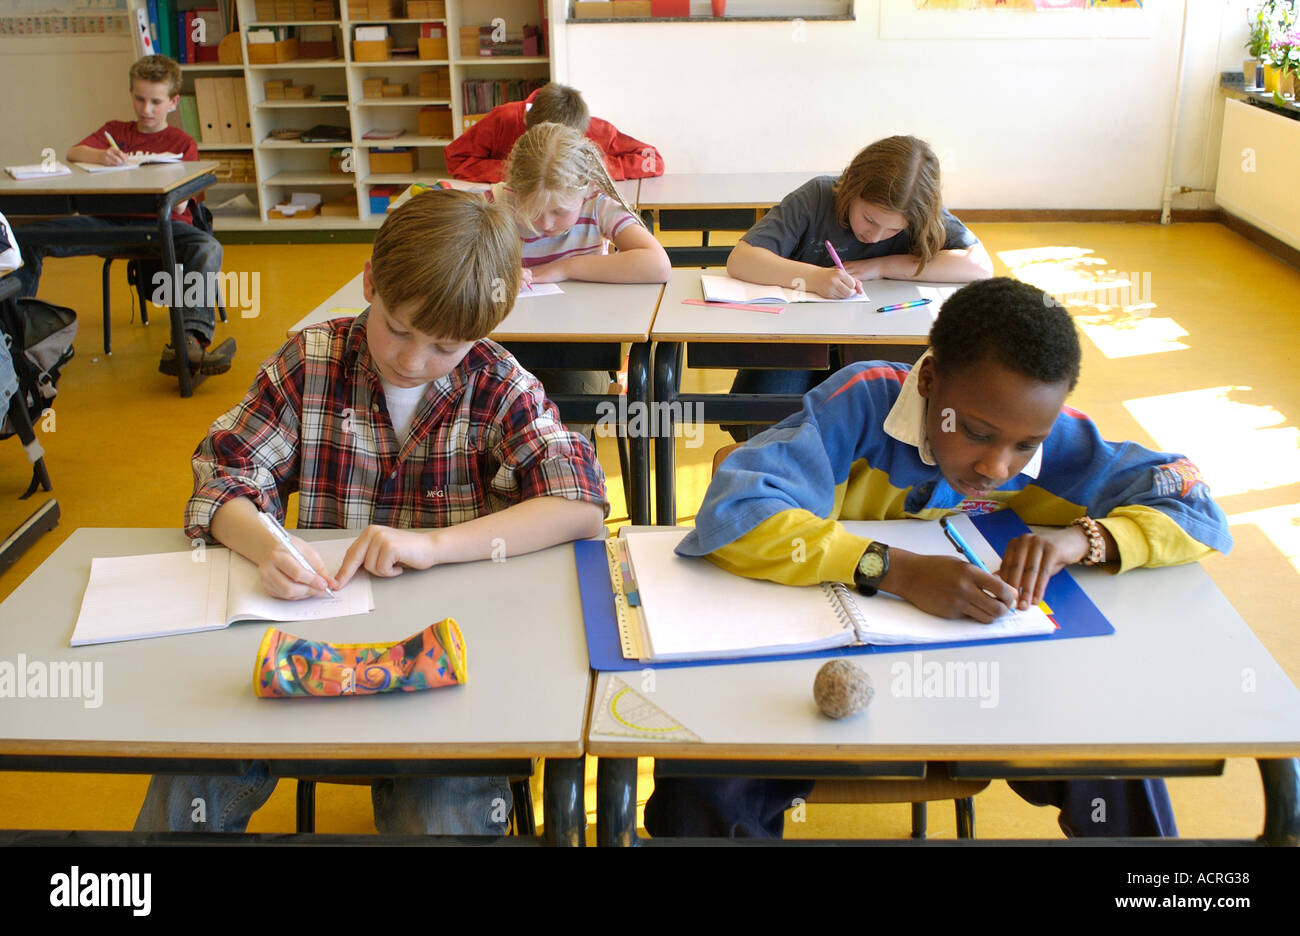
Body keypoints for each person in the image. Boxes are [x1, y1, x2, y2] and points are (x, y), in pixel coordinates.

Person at [646, 276, 1232, 839]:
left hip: (983, 678)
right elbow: (734, 511)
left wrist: (1080, 539)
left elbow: (1192, 499)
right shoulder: (858, 405)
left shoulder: (1053, 439)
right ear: (929, 380)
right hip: (816, 664)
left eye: (1025, 445)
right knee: (703, 781)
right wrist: (894, 569)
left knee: (1115, 756)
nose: (998, 467)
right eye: (975, 432)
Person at [134, 189, 608, 835]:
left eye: (445, 346)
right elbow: (223, 475)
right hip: (311, 640)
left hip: (448, 658)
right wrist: (266, 545)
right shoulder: (310, 361)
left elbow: (578, 503)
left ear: (482, 332)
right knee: (190, 773)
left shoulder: (497, 381)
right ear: (369, 283)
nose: (413, 360)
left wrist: (436, 545)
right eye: (399, 329)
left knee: (439, 813)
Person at [723, 135, 992, 441]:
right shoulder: (818, 197)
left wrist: (883, 266)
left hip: (876, 341)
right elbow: (741, 259)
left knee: (890, 417)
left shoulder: (916, 208)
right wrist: (814, 278)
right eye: (869, 219)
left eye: (893, 230)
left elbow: (979, 266)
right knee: (765, 424)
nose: (876, 236)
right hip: (798, 339)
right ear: (852, 187)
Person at [12, 54, 235, 378]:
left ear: (172, 102)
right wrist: (103, 155)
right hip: (109, 224)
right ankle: (13, 337)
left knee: (208, 247)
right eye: (140, 98)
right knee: (26, 239)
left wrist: (170, 192)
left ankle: (188, 342)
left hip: (164, 226)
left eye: (155, 102)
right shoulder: (115, 131)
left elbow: (181, 206)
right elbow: (74, 153)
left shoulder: (181, 142)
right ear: (131, 93)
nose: (146, 109)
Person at [486, 121, 670, 411]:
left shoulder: (596, 204)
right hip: (504, 348)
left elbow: (657, 264)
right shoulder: (495, 204)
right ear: (516, 189)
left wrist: (564, 268)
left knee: (562, 409)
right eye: (533, 210)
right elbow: (452, 271)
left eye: (559, 211)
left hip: (579, 351)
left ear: (584, 192)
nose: (545, 224)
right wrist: (494, 273)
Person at [444, 82, 664, 183]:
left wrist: (593, 168)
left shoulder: (594, 129)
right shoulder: (504, 118)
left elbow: (653, 160)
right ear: (525, 123)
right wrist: (516, 170)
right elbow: (456, 158)